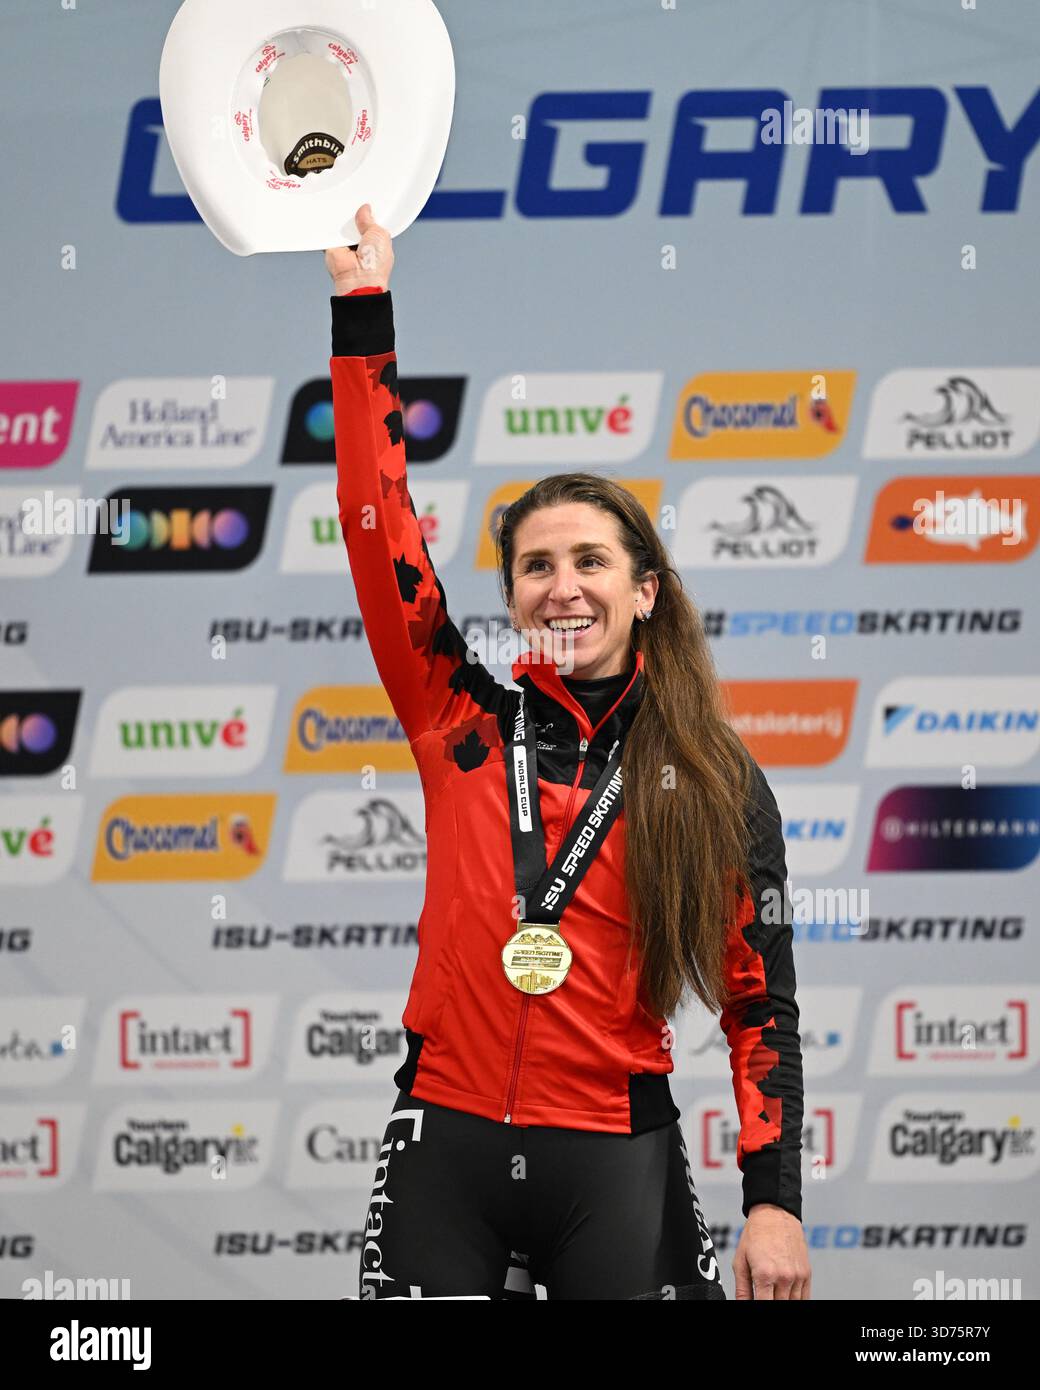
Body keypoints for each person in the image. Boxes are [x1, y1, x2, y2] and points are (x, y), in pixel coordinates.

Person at [326, 205, 810, 1301]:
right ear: (509, 596)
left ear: (644, 591)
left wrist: (772, 1199)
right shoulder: (459, 722)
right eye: (536, 564)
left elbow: (758, 1004)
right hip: (442, 1150)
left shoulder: (715, 780)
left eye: (590, 559)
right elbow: (377, 523)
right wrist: (363, 314)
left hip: (614, 1166)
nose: (562, 584)